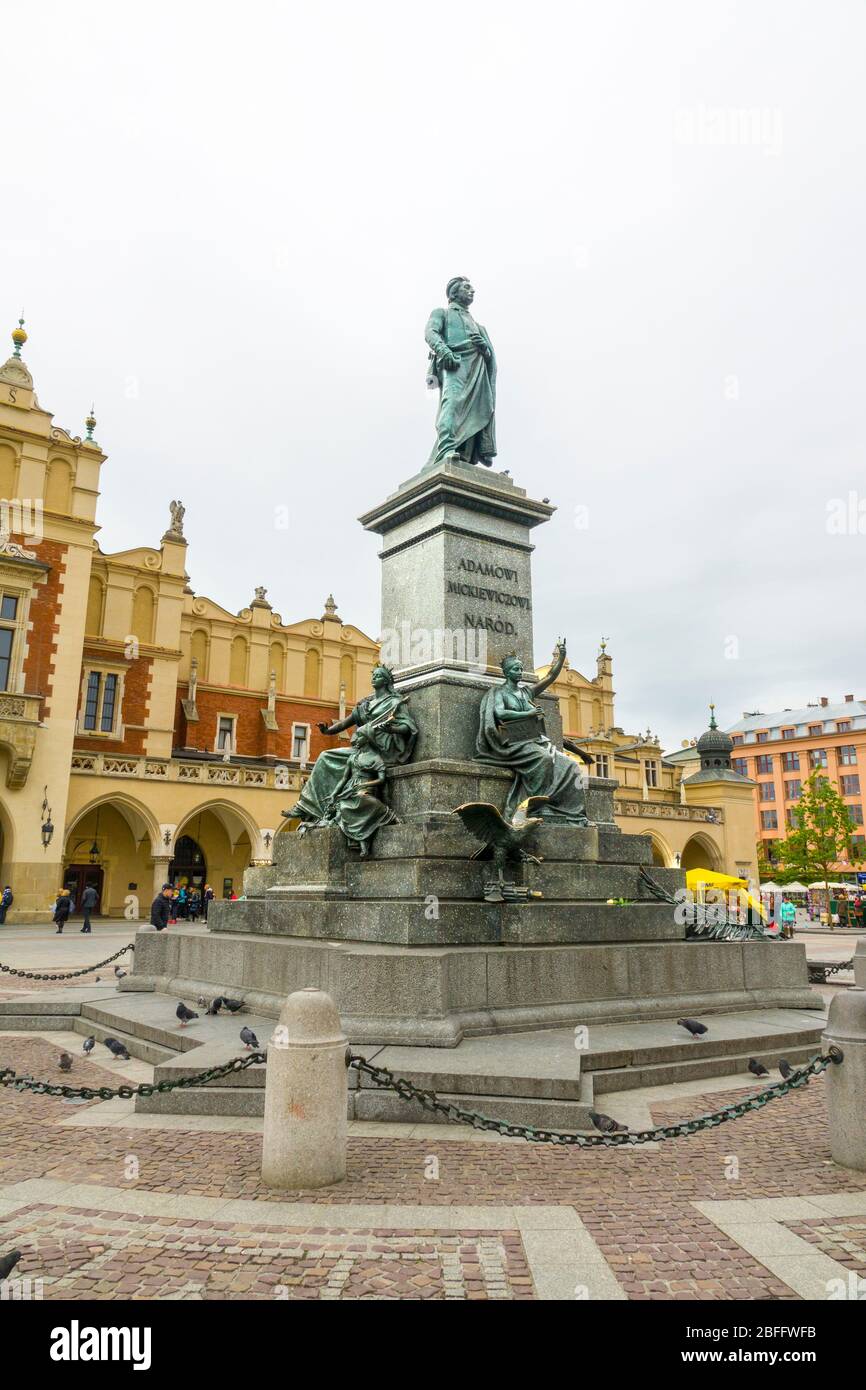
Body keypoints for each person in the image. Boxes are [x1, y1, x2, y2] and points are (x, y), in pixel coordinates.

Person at [475, 641, 589, 825]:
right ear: (506, 672)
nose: (519, 672)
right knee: (543, 759)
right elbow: (499, 713)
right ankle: (532, 806)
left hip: (534, 739)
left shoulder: (526, 692)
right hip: (513, 741)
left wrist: (561, 657)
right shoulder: (499, 692)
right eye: (515, 669)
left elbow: (550, 677)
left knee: (571, 765)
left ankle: (570, 812)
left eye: (520, 668)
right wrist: (528, 713)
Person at [287, 665, 417, 825]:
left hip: (381, 750)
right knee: (324, 756)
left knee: (328, 758)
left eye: (378, 675)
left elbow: (408, 727)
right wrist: (327, 731)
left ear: (386, 681)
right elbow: (343, 725)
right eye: (373, 675)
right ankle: (307, 805)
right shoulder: (365, 706)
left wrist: (393, 728)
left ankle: (318, 808)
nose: (374, 677)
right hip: (362, 748)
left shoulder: (395, 702)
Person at [424, 277, 496, 468]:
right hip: (455, 363)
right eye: (467, 287)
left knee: (479, 408)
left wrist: (485, 349)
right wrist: (444, 351)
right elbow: (430, 332)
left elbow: (489, 356)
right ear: (454, 292)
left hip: (477, 367)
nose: (472, 290)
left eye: (472, 288)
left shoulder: (479, 326)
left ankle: (465, 454)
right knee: (453, 403)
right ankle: (446, 448)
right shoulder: (442, 313)